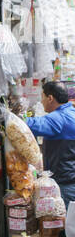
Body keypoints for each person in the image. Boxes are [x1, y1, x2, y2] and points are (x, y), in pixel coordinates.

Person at [26, 81, 75, 210]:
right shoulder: (71, 113)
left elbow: (31, 124)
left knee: (64, 223)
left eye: (42, 97)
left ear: (50, 98)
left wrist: (9, 116)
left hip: (65, 183)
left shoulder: (59, 118)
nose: (41, 102)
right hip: (70, 178)